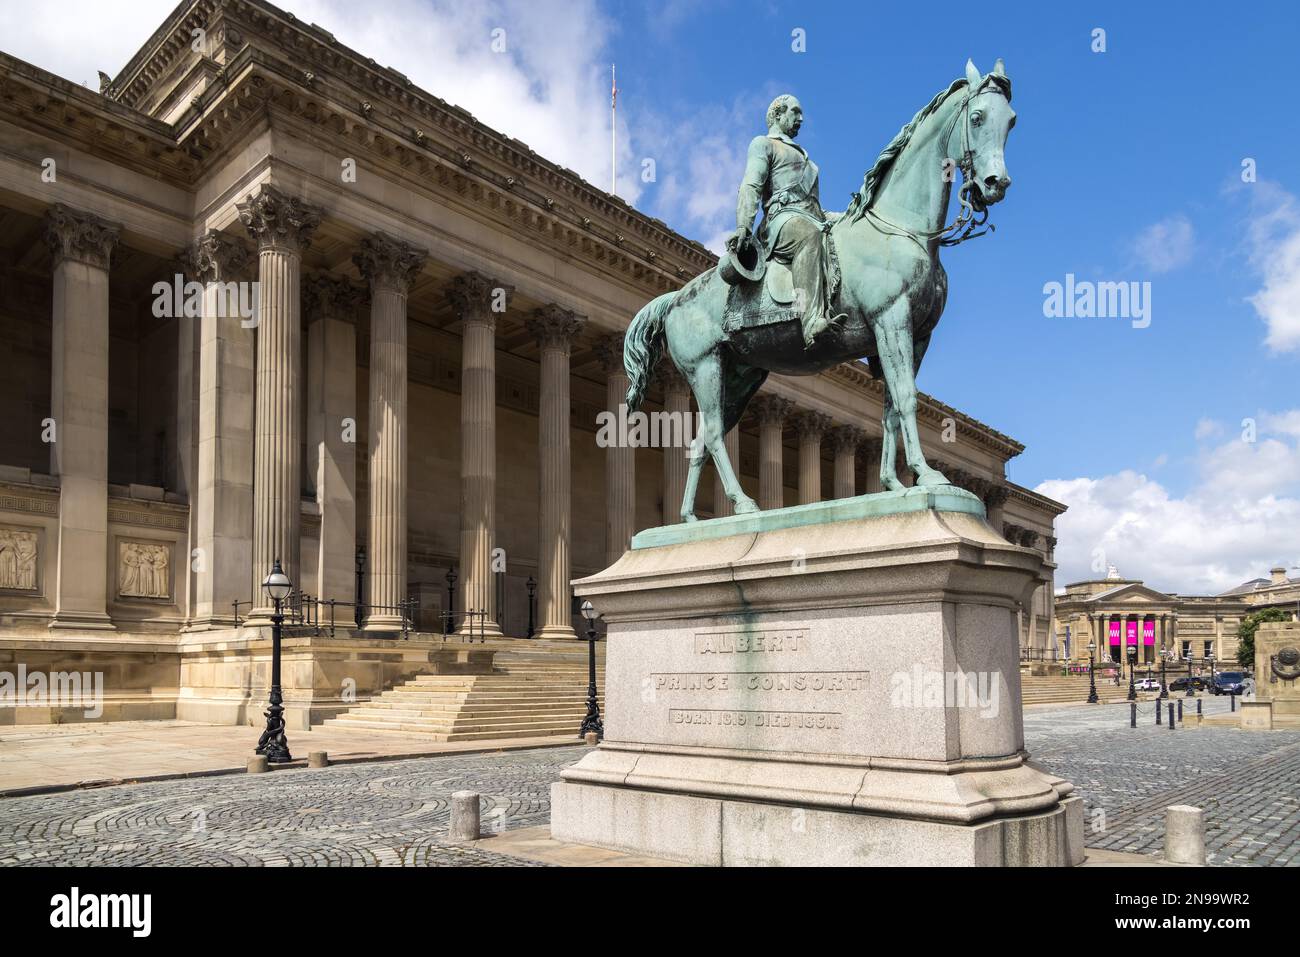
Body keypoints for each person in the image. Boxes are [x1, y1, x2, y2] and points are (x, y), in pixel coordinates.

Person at [730, 94, 846, 348]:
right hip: (780, 222)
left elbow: (815, 208)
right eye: (795, 112)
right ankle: (811, 321)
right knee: (808, 235)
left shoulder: (808, 161)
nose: (801, 118)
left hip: (810, 217)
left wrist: (849, 217)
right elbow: (751, 185)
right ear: (777, 114)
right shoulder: (764, 144)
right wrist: (743, 226)